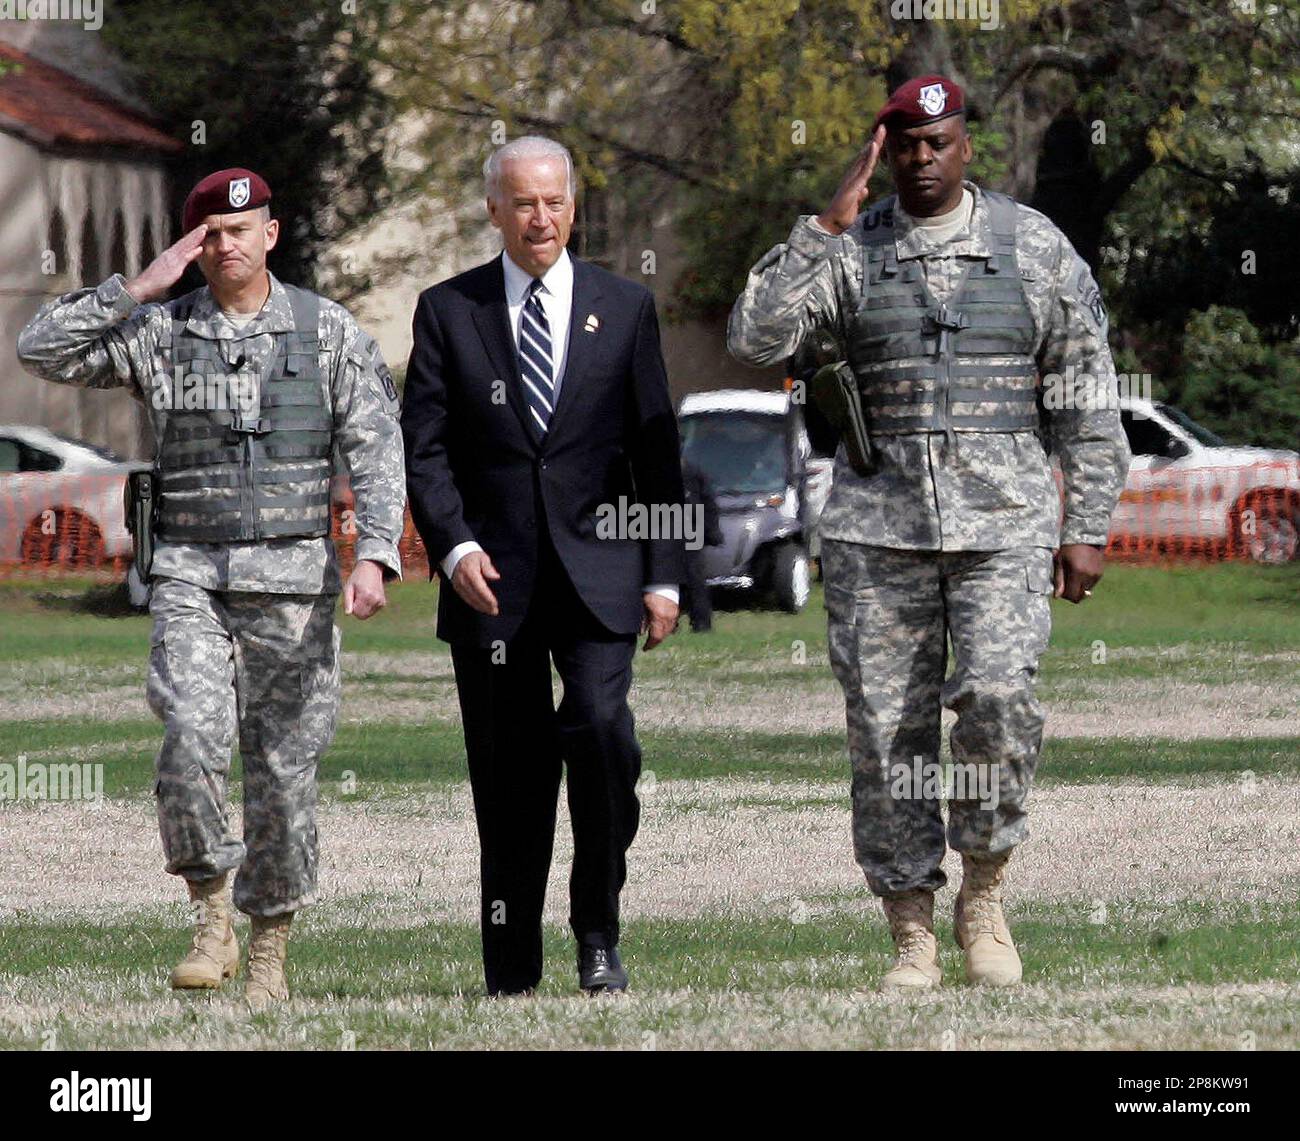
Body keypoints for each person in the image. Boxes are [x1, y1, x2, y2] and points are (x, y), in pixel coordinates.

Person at [728, 76, 1130, 990]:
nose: (921, 158)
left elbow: (1083, 391)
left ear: (966, 145)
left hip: (1005, 529)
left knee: (997, 702)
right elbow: (754, 338)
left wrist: (1089, 522)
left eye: (937, 141)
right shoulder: (851, 250)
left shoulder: (1032, 247)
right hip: (879, 534)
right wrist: (821, 227)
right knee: (884, 733)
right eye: (905, 143)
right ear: (885, 150)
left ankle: (983, 896)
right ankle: (910, 928)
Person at [17, 168, 405, 1008]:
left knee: (283, 771)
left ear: (271, 233)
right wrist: (136, 287)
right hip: (192, 570)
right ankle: (211, 908)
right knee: (191, 736)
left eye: (243, 229)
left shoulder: (324, 330)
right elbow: (38, 346)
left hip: (295, 583)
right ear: (196, 246)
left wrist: (374, 552)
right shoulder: (161, 331)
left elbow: (376, 444)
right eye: (211, 234)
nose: (227, 244)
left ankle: (270, 945)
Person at [401, 136, 686, 996]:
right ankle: (511, 967)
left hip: (601, 576)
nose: (541, 218)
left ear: (573, 206)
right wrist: (451, 546)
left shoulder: (625, 307)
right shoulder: (449, 311)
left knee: (601, 735)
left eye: (554, 201)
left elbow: (656, 454)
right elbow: (426, 449)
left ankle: (598, 928)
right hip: (493, 584)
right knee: (511, 779)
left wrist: (664, 573)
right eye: (523, 203)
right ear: (494, 209)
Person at [680, 457, 723, 632]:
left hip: (690, 531)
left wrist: (711, 530)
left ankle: (702, 623)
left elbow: (707, 502)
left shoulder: (691, 471)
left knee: (694, 578)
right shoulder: (690, 470)